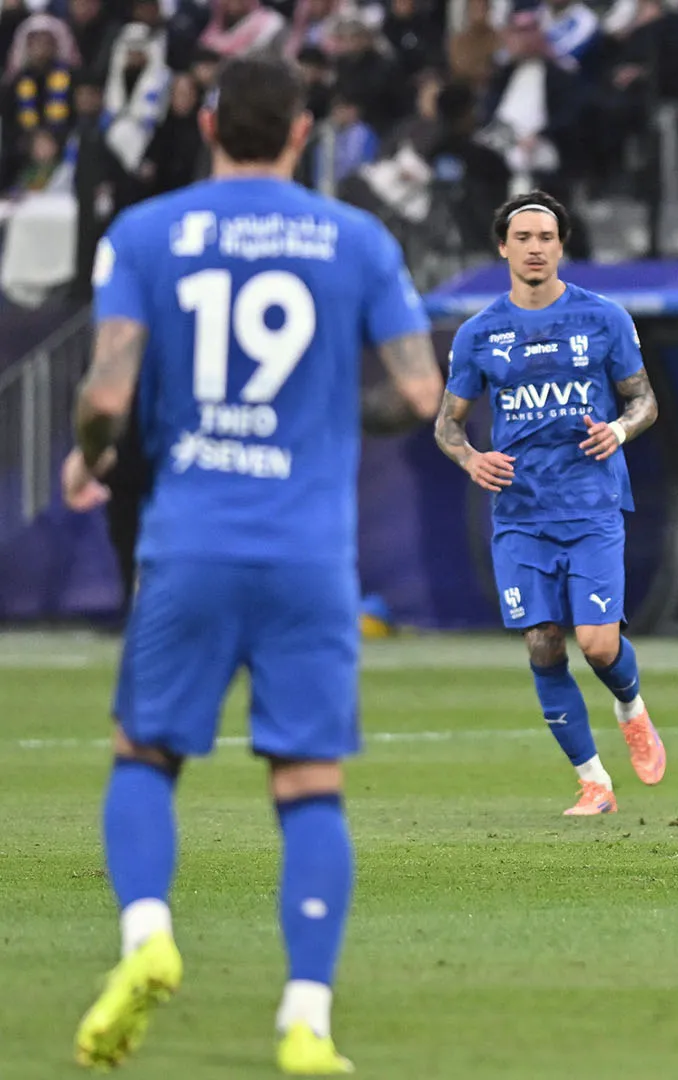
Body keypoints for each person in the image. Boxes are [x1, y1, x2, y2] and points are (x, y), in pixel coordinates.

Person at [62, 52, 443, 1073]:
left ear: (209, 124)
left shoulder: (146, 232)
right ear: (302, 134)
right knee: (309, 782)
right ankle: (307, 1020)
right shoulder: (356, 239)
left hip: (189, 541)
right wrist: (327, 418)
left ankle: (148, 936)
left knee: (144, 753)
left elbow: (107, 396)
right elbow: (419, 393)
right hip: (309, 553)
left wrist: (90, 457)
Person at [436, 191, 666, 817]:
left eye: (546, 237)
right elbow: (448, 424)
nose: (535, 248)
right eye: (523, 238)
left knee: (598, 645)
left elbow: (643, 401)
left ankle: (631, 707)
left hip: (591, 504)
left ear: (561, 246)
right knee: (543, 643)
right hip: (519, 514)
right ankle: (594, 782)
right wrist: (471, 458)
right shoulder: (479, 334)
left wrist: (618, 430)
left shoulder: (604, 318)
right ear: (503, 248)